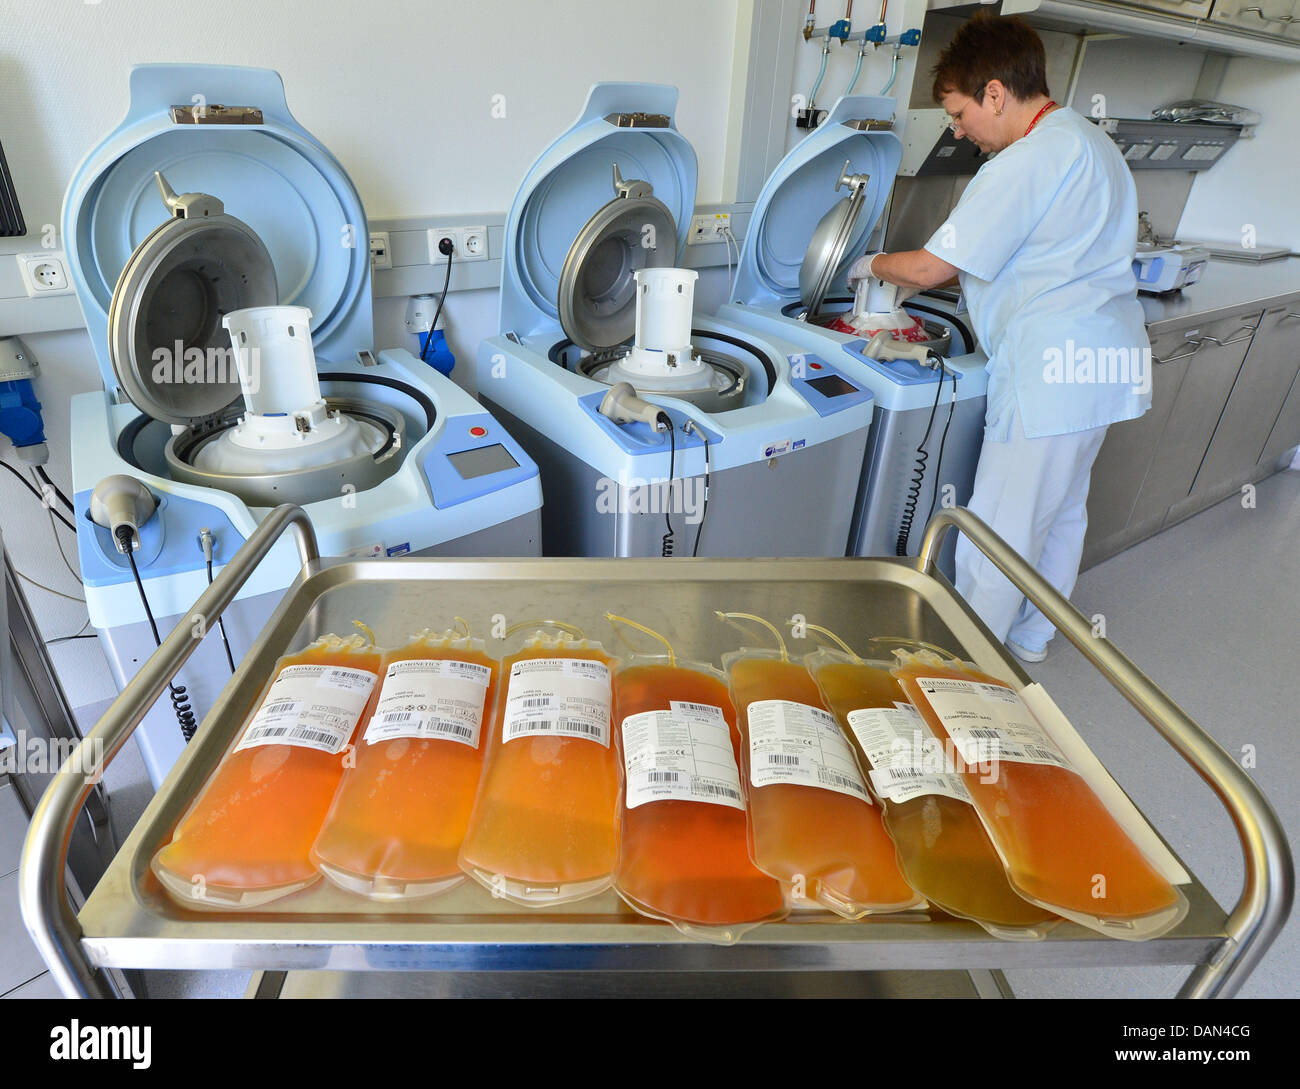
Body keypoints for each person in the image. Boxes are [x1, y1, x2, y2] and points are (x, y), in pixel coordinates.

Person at [848, 11, 1151, 663]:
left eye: (959, 114)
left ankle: (965, 669)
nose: (959, 131)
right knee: (1061, 515)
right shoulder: (1087, 140)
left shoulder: (1025, 162)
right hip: (1103, 366)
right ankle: (1033, 637)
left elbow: (932, 268)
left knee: (999, 528)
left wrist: (868, 265)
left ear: (994, 92)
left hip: (1051, 374)